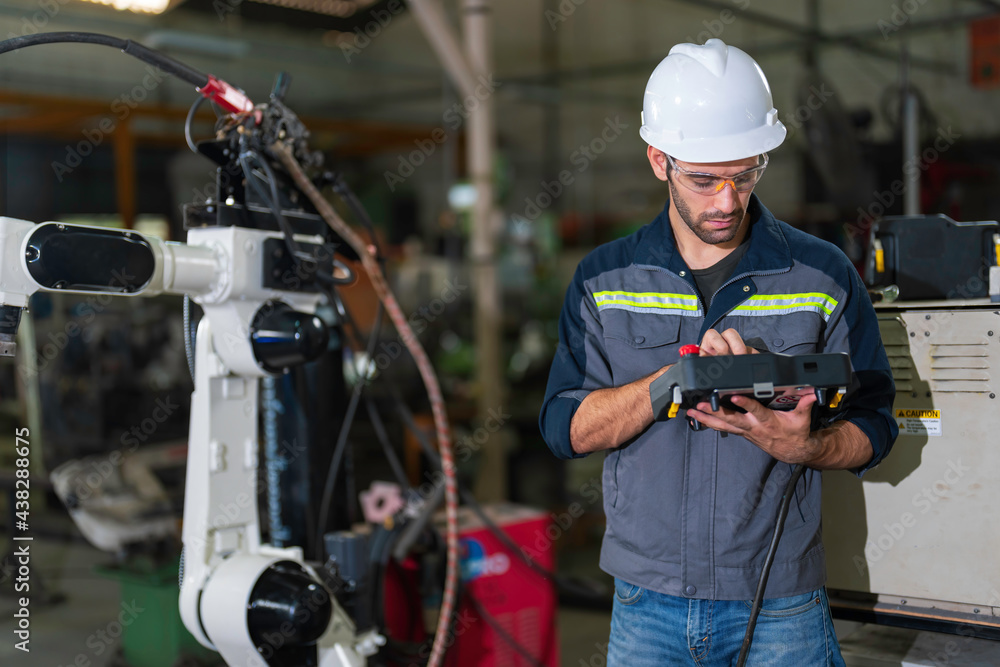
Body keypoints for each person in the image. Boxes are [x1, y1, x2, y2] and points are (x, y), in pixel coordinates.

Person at [538, 39, 897, 666]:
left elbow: (877, 423)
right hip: (647, 605)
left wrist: (806, 446)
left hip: (781, 600)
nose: (727, 201)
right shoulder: (605, 278)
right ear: (659, 160)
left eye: (745, 174)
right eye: (704, 180)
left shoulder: (823, 272)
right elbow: (565, 428)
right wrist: (675, 380)